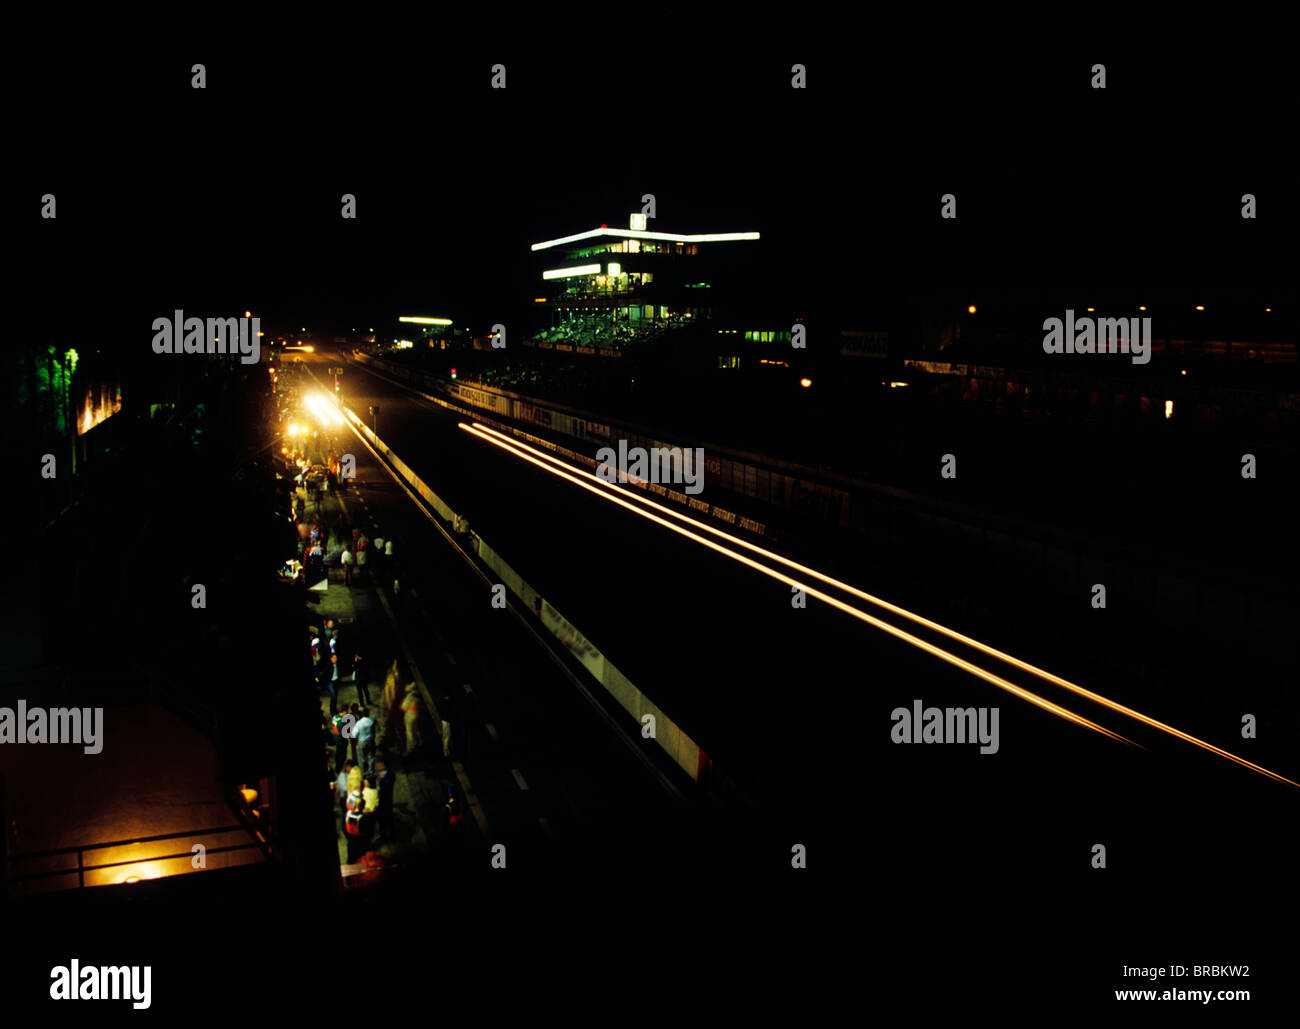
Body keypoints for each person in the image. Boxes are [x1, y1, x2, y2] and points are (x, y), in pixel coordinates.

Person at [355, 707, 376, 780]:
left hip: (362, 741)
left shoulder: (359, 723)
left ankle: (363, 774)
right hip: (371, 741)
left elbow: (354, 734)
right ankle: (371, 772)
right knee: (371, 757)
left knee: (361, 758)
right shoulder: (372, 721)